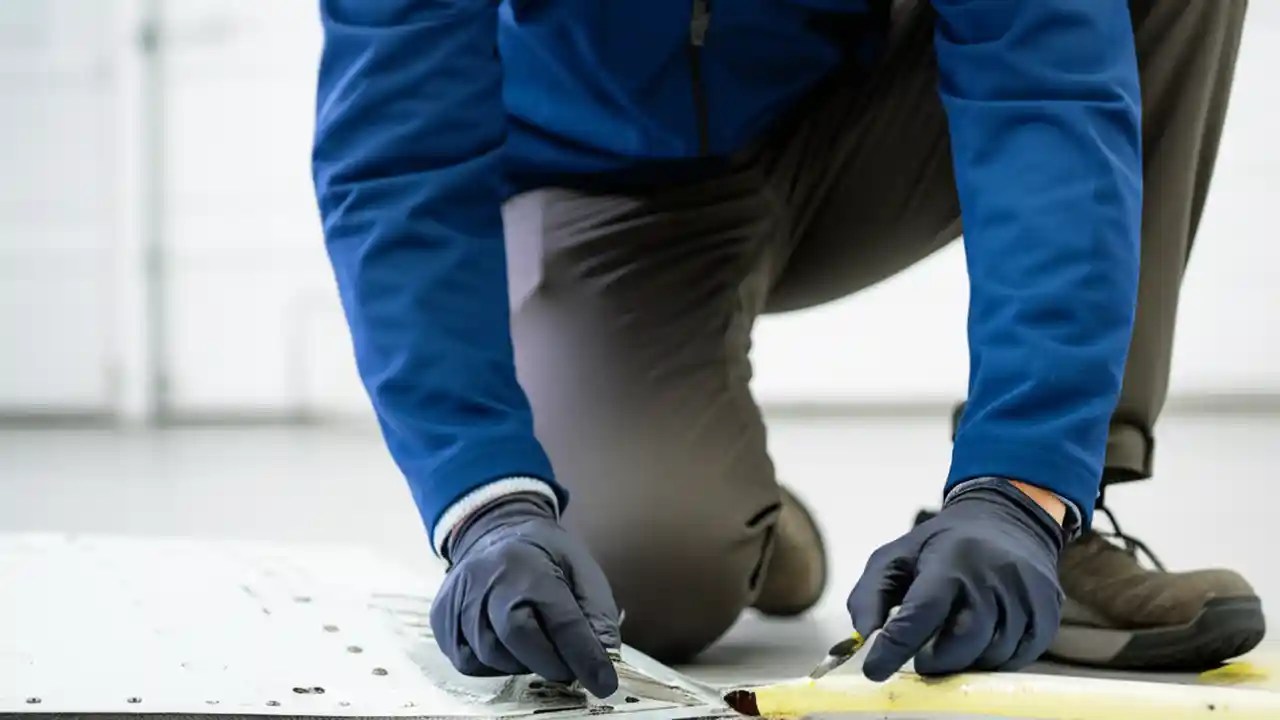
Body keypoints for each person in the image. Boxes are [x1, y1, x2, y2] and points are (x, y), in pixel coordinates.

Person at [312, 0, 1258, 698]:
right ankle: (739, 520)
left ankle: (1065, 523)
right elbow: (402, 158)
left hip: (860, 128)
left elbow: (1048, 79)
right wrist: (483, 499)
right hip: (609, 190)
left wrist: (1024, 481)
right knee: (636, 578)